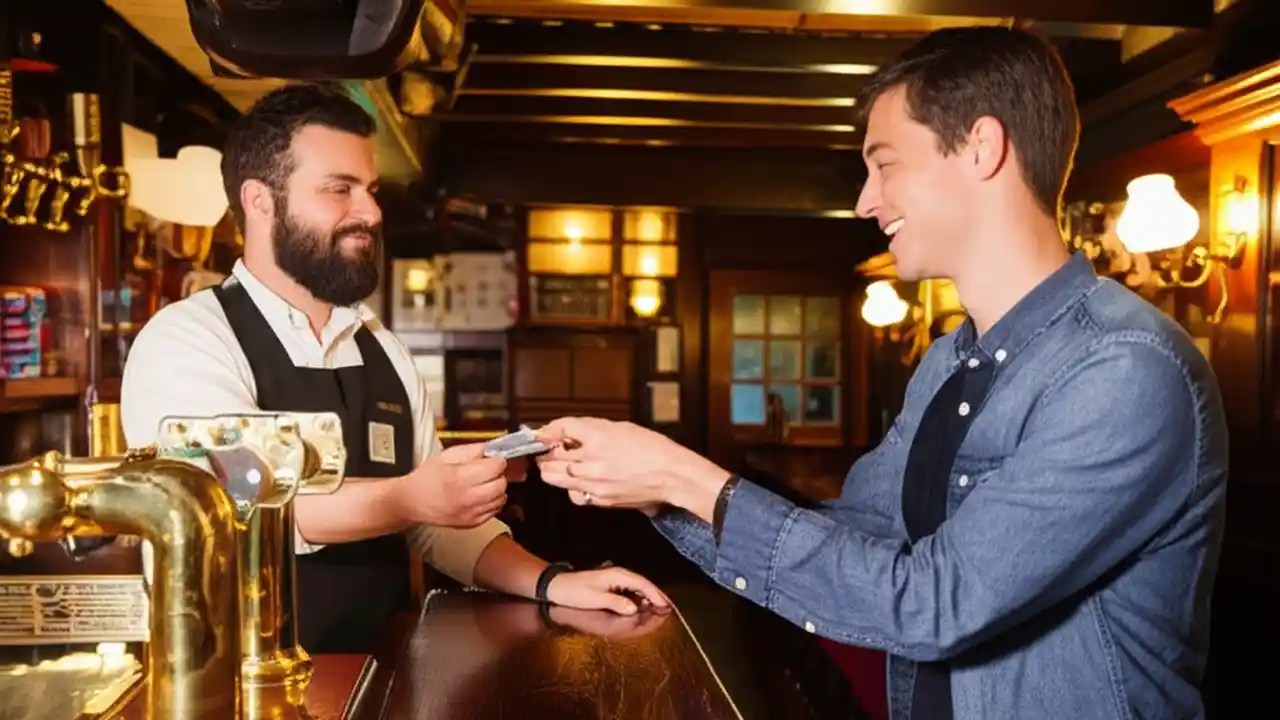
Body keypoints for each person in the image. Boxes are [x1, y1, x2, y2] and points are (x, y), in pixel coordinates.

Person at [536, 26, 1228, 720]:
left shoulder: (1127, 370)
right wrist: (656, 493)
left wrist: (683, 479)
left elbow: (932, 603)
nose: (865, 201)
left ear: (982, 148)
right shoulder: (947, 362)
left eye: (884, 164)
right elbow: (864, 548)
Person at [120, 82, 667, 655]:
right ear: (260, 201)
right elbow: (238, 505)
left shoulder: (381, 348)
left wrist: (554, 582)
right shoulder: (190, 340)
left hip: (374, 678)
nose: (372, 212)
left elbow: (436, 526)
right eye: (340, 189)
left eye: (372, 190)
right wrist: (409, 497)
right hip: (230, 687)